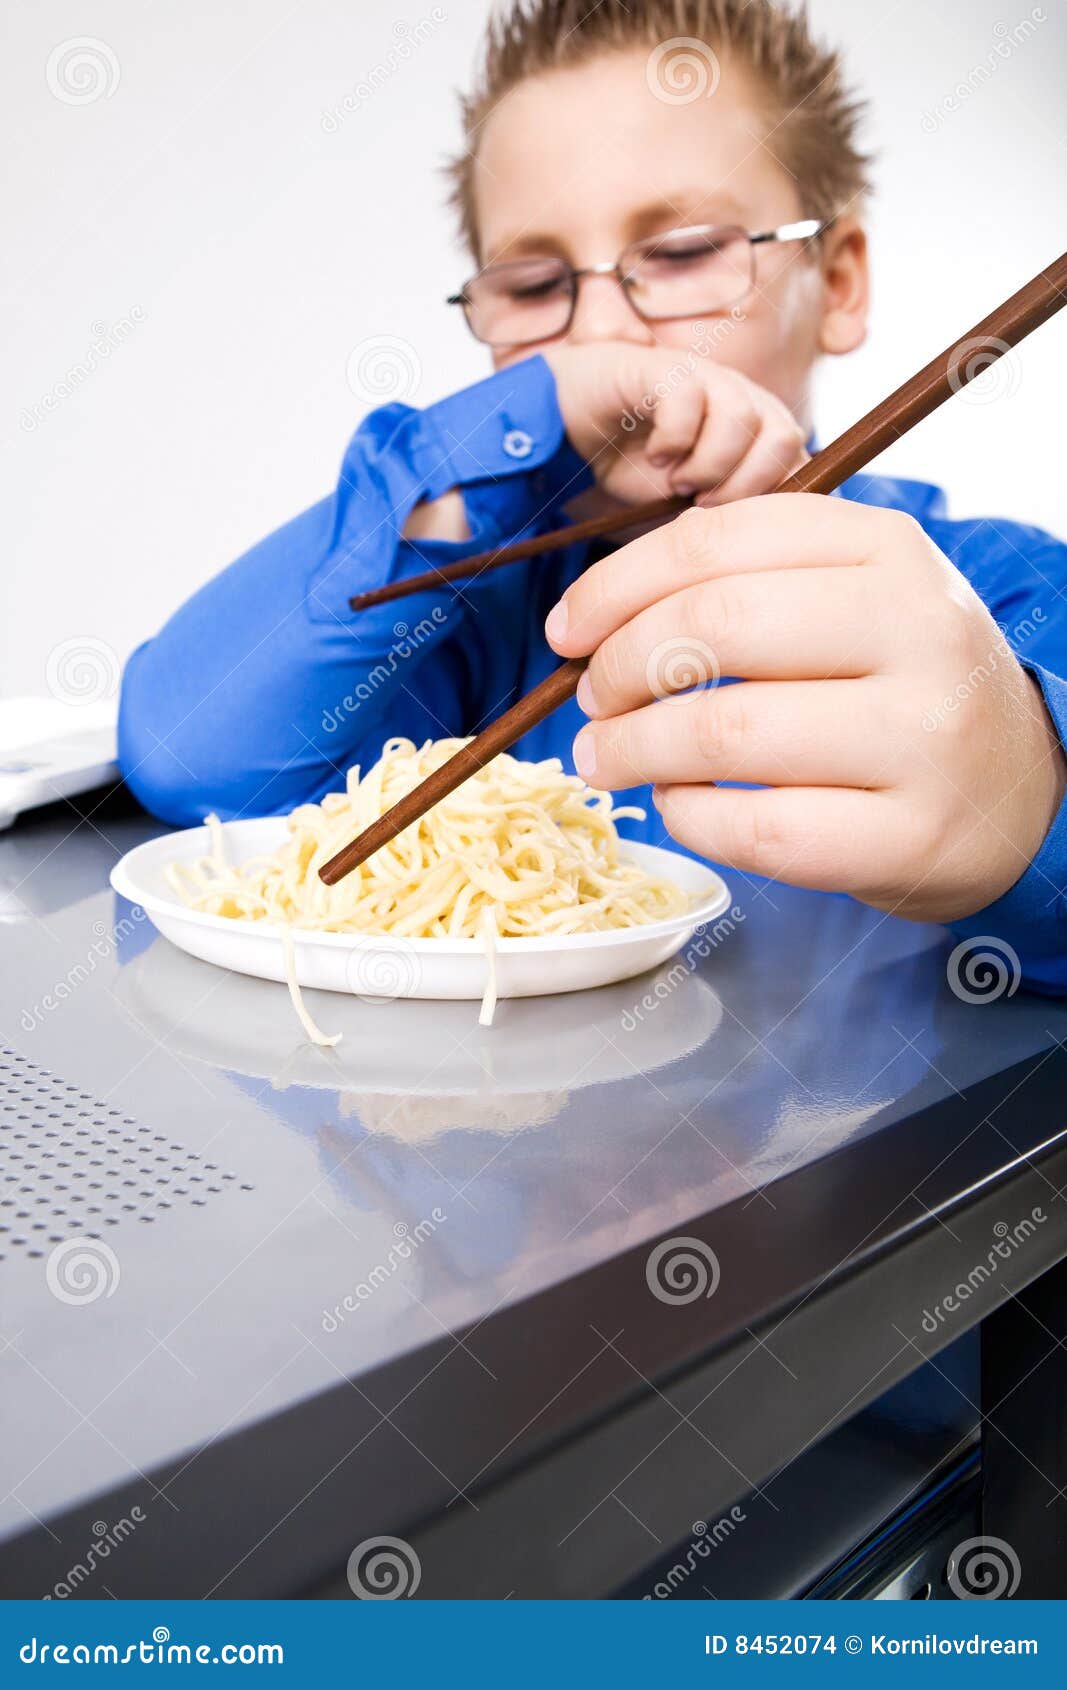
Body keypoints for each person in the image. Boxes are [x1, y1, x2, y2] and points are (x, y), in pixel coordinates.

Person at [118, 0, 1067, 990]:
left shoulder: (994, 593)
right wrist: (483, 455)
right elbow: (187, 753)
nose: (602, 335)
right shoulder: (472, 621)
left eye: (685, 252)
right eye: (533, 286)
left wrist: (1028, 800)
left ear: (834, 285)